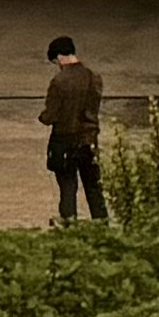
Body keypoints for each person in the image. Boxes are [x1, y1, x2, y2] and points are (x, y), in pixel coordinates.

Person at [42, 34, 106, 221]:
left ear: (59, 57)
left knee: (68, 188)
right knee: (94, 188)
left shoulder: (59, 81)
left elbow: (50, 115)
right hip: (89, 139)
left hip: (65, 141)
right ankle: (102, 227)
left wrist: (42, 117)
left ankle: (70, 229)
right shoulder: (94, 77)